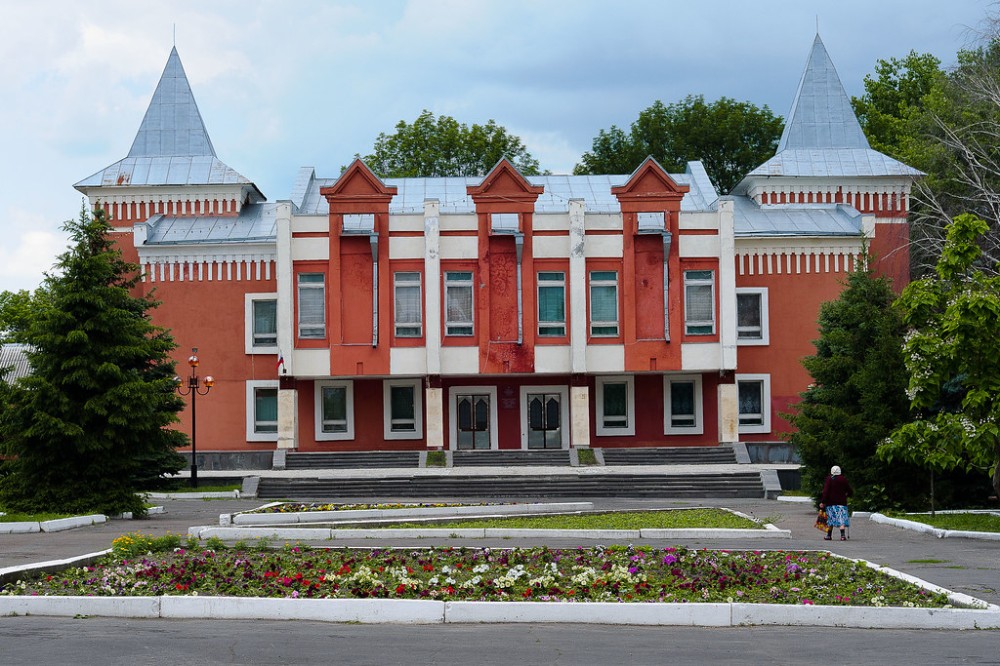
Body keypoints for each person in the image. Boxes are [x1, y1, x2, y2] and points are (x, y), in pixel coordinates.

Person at [820, 465, 853, 541]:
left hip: (831, 503)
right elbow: (849, 490)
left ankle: (829, 535)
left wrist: (823, 501)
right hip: (842, 503)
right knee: (841, 519)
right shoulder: (843, 479)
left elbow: (826, 492)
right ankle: (842, 536)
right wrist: (848, 495)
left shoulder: (829, 479)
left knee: (831, 519)